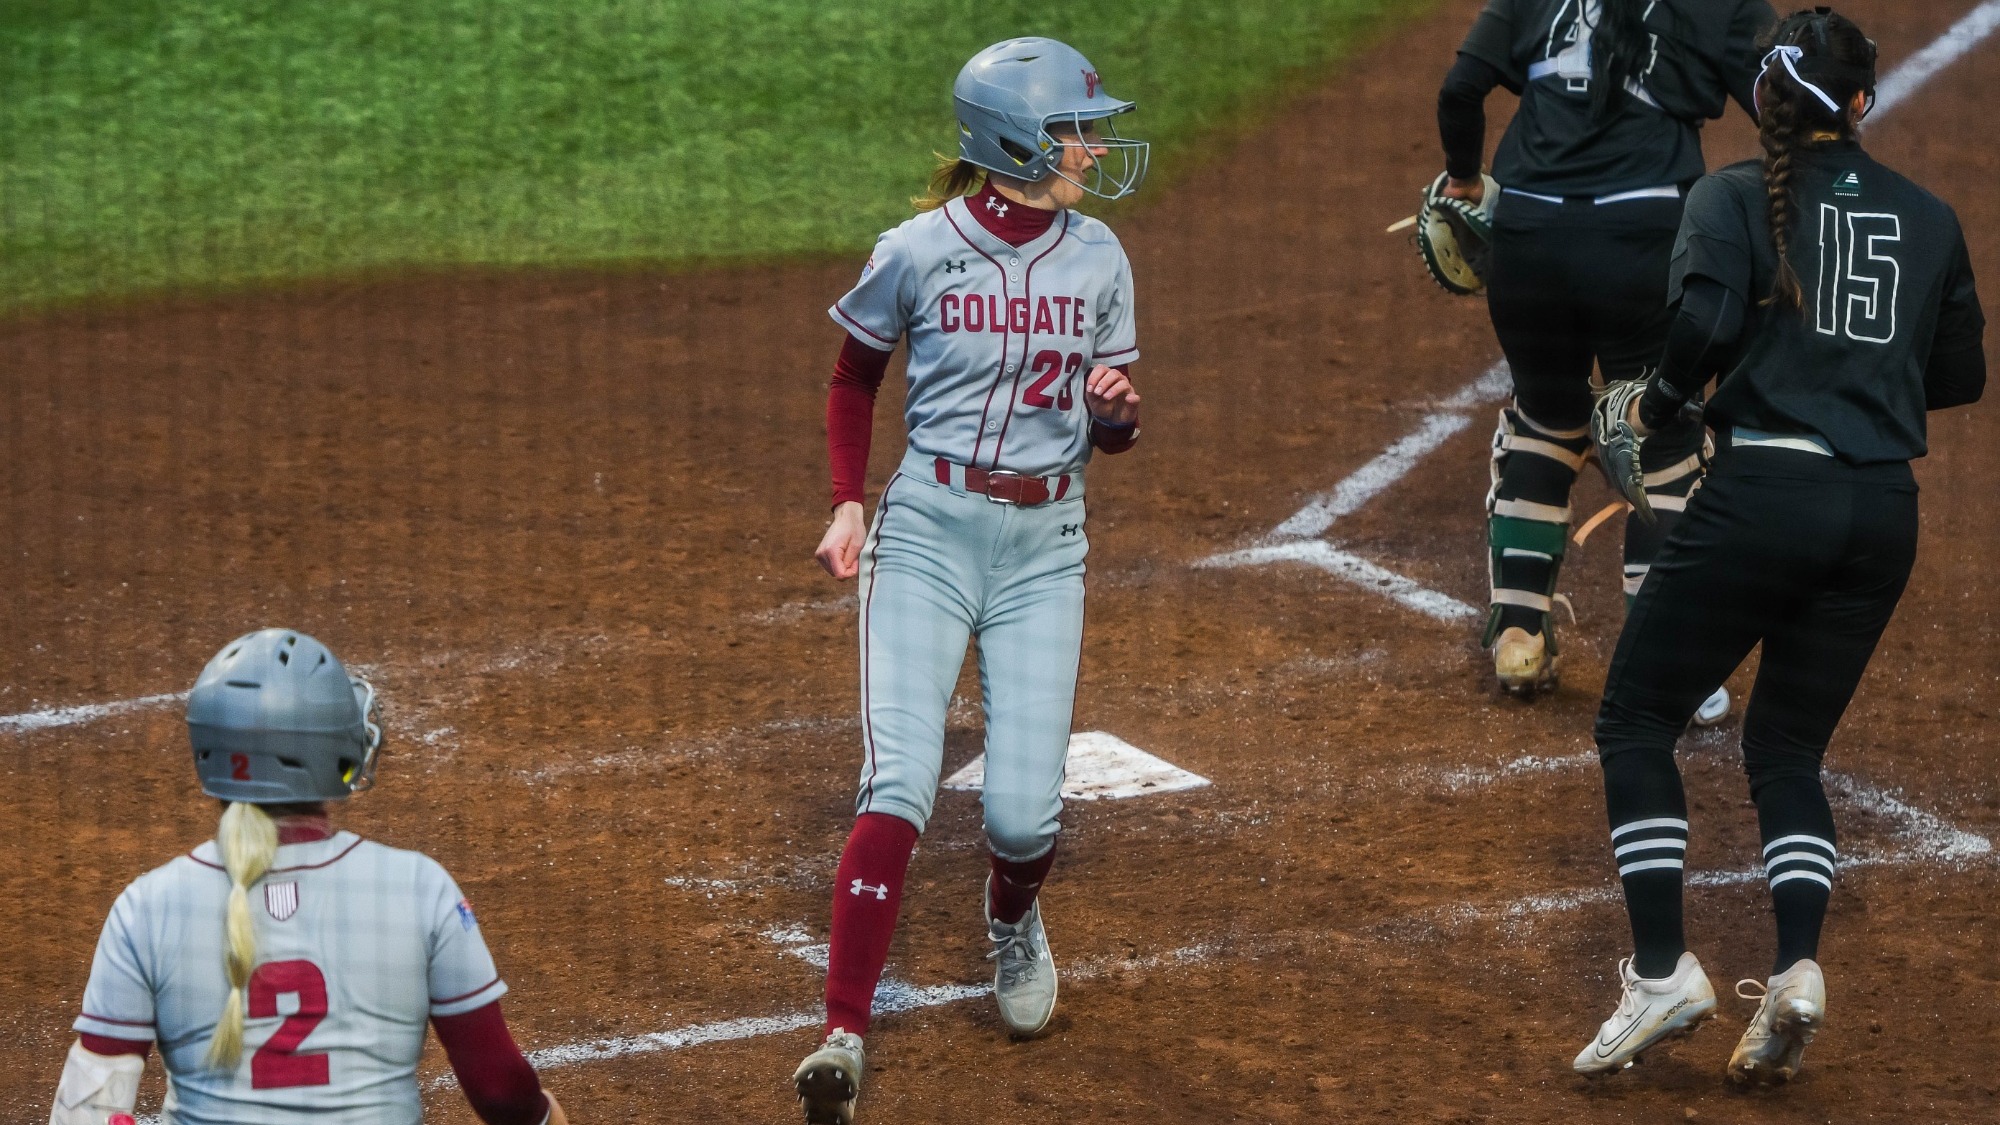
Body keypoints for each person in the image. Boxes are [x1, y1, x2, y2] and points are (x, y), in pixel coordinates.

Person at [1573, 6, 1984, 1082]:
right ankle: (1796, 969)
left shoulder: (1724, 196)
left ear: (1762, 97)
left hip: (1764, 494)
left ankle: (1660, 972)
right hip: (1879, 514)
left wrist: (1658, 405)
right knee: (1786, 752)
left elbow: (1703, 329)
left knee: (1633, 720)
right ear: (1858, 105)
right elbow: (1955, 381)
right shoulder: (1930, 216)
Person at [791, 36, 1147, 1125]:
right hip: (930, 533)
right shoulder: (913, 250)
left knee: (1021, 820)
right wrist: (849, 498)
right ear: (1014, 140)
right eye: (1074, 128)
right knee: (896, 782)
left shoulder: (1101, 259)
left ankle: (1010, 922)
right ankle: (840, 1035)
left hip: (1046, 548)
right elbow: (854, 375)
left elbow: (1114, 426)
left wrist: (1112, 418)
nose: (1092, 146)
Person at [53, 629, 570, 1125]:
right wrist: (542, 1113)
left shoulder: (148, 906)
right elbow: (500, 1091)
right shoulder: (416, 888)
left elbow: (88, 1109)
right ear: (333, 749)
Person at [1436, 0, 1775, 696]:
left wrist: (1465, 180)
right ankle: (1671, 662)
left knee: (1545, 413)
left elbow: (1459, 90)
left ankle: (1519, 637)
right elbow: (1784, 107)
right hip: (1645, 243)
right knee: (1660, 433)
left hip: (1529, 240)